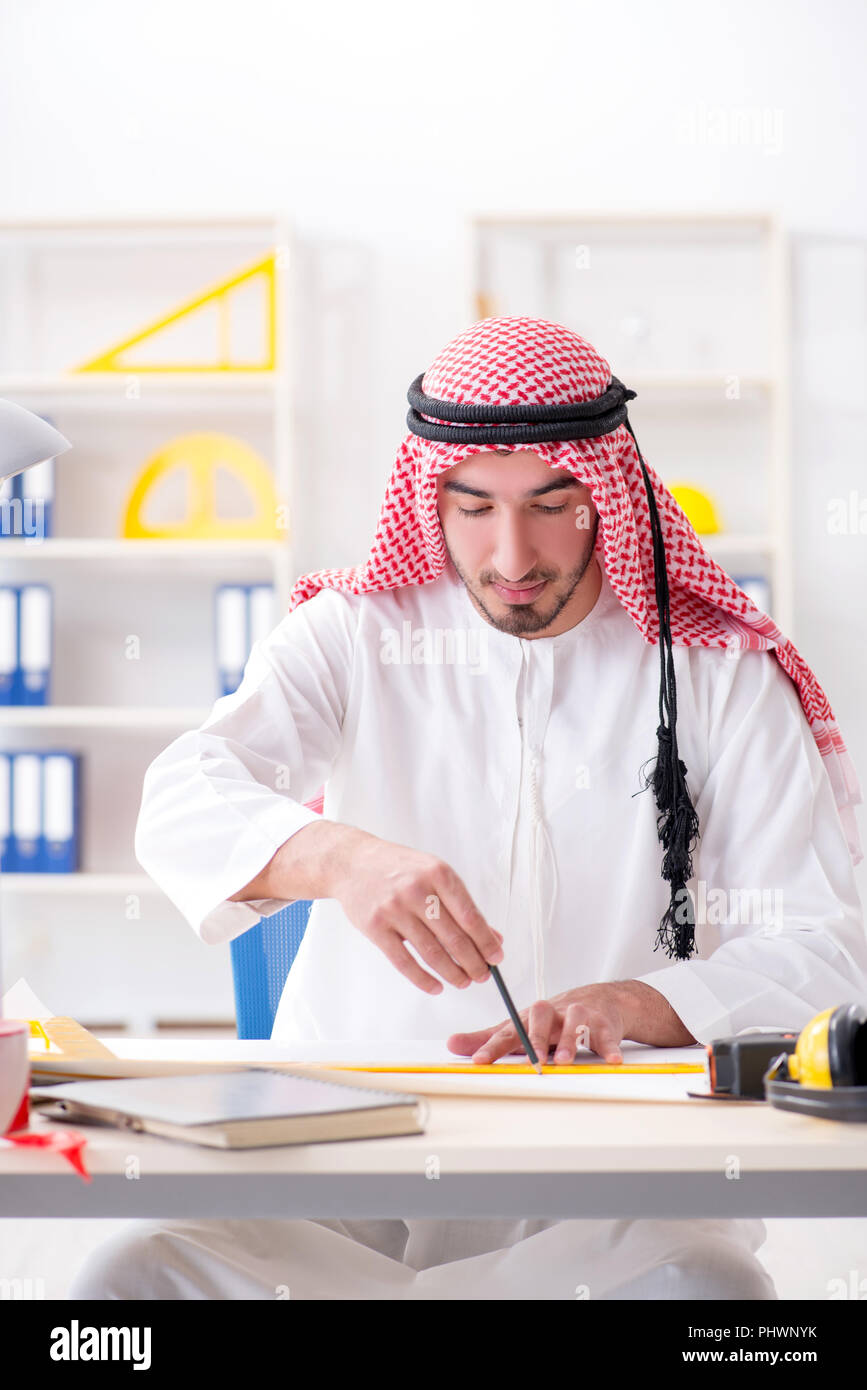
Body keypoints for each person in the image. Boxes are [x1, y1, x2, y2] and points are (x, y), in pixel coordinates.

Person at [70, 316, 866, 1301]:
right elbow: (183, 793)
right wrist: (342, 859)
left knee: (705, 1288)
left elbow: (822, 948)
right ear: (429, 494)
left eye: (551, 504)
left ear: (607, 492)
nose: (512, 553)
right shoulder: (352, 634)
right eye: (474, 506)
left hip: (604, 1191)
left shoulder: (719, 673)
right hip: (337, 1170)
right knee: (130, 1272)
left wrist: (639, 1004)